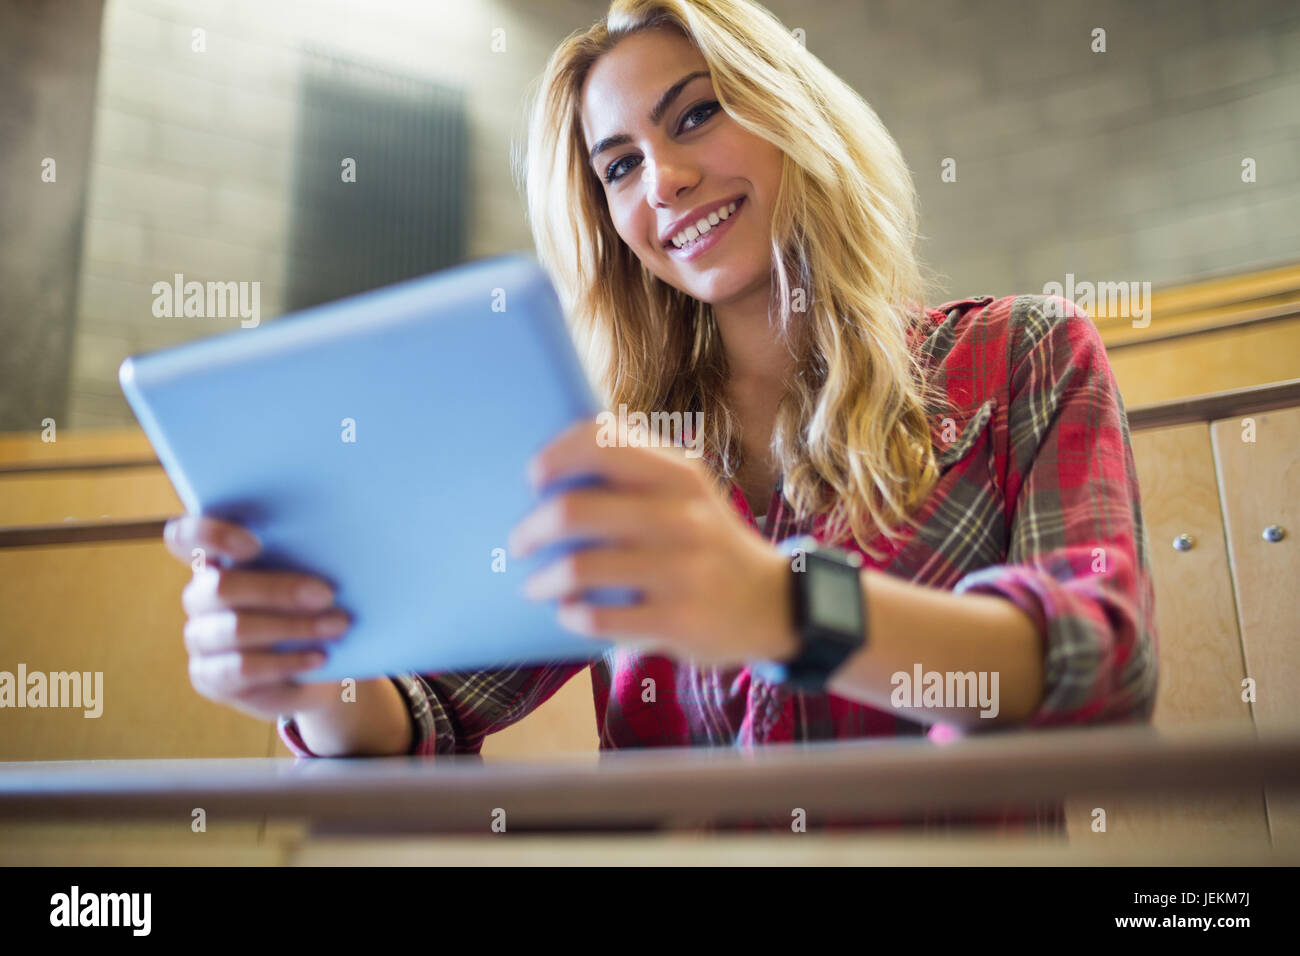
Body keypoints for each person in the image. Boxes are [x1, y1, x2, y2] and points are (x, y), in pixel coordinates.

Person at [163, 0, 1157, 832]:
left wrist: (781, 605)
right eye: (619, 166)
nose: (664, 181)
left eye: (693, 117)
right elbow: (422, 717)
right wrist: (306, 671)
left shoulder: (1017, 355)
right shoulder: (607, 450)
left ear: (788, 114)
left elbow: (1099, 665)